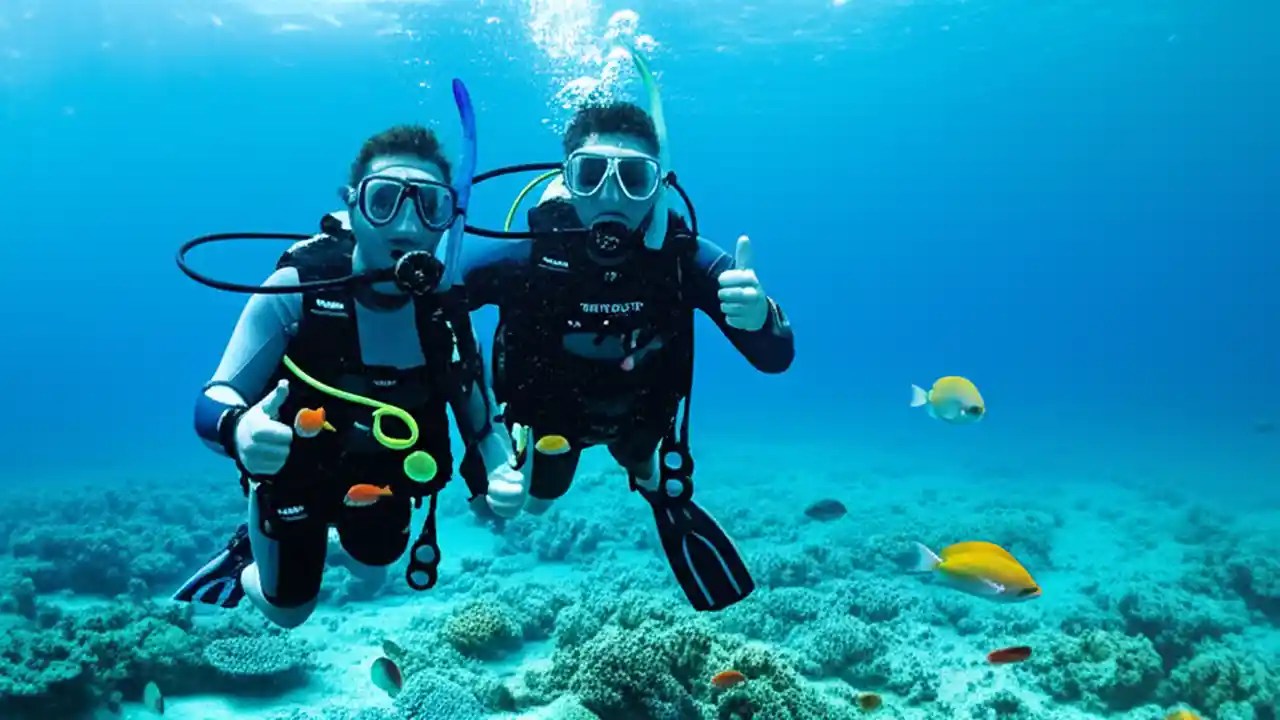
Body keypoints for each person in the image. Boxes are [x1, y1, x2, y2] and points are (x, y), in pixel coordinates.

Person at [173, 122, 522, 629]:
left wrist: (499, 472)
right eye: (384, 200)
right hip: (297, 475)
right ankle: (248, 556)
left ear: (449, 219)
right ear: (353, 207)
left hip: (386, 480)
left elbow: (482, 421)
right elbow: (216, 396)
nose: (406, 224)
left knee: (375, 564)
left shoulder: (444, 312)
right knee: (291, 610)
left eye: (430, 204)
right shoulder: (296, 289)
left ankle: (317, 538)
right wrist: (239, 429)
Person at [460, 100, 795, 612]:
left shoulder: (684, 258)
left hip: (642, 417)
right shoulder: (529, 253)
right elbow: (433, 296)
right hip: (552, 422)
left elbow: (775, 358)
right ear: (567, 180)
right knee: (538, 502)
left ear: (659, 185)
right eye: (591, 174)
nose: (612, 194)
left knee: (646, 464)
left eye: (635, 177)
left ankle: (652, 484)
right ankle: (568, 476)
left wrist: (761, 316)